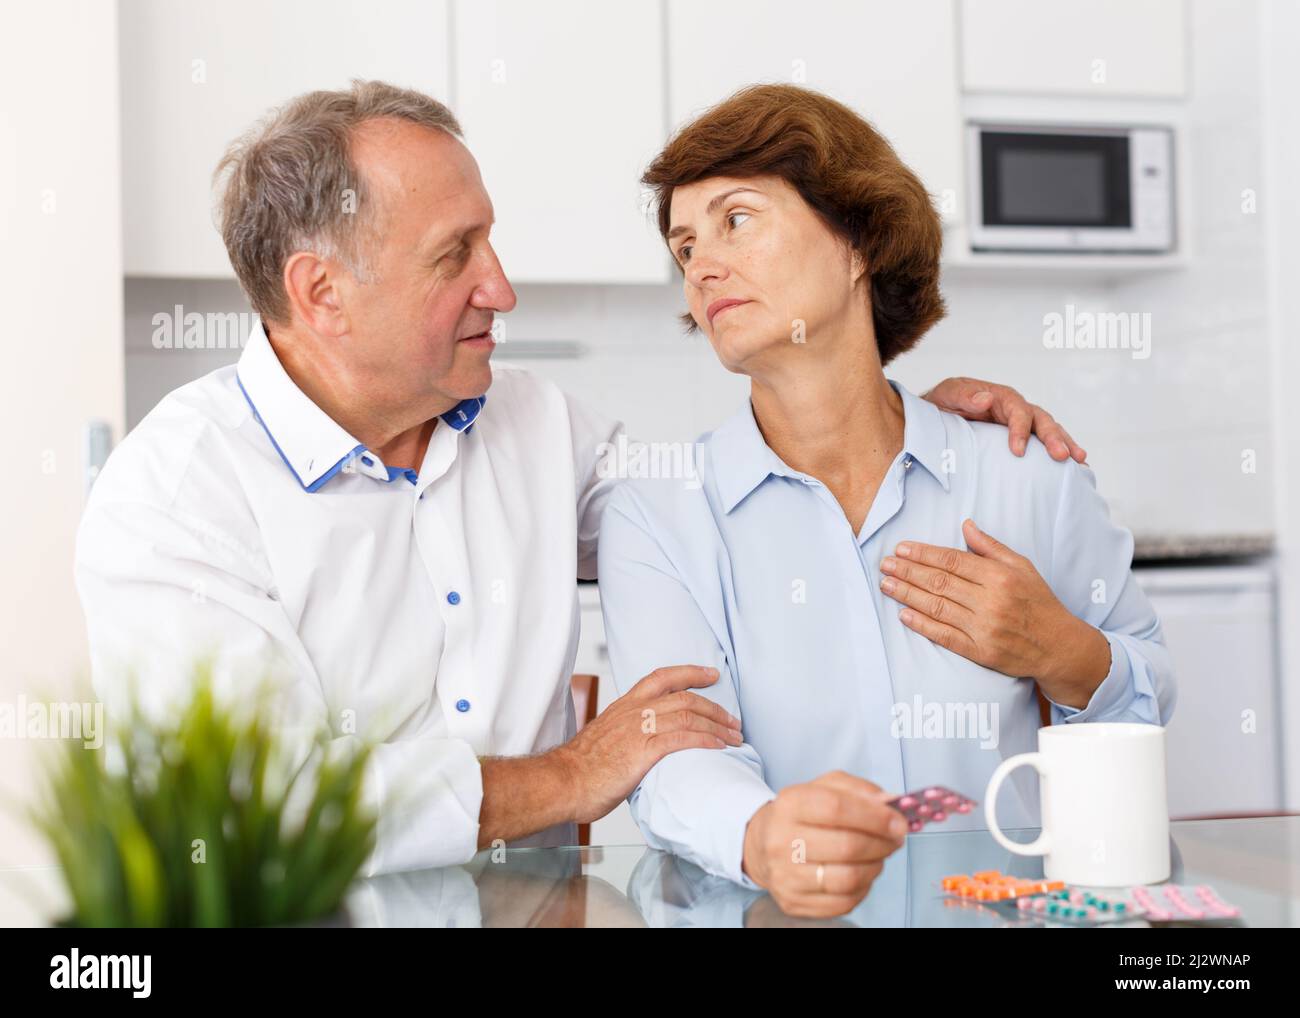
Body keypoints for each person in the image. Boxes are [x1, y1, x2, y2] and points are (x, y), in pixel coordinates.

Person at [77, 80, 1087, 878]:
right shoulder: (173, 499)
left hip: (545, 913)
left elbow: (715, 503)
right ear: (323, 294)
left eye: (490, 237)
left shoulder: (536, 423)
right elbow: (269, 814)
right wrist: (571, 773)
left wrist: (904, 410)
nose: (502, 287)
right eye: (454, 256)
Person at [596, 84, 1174, 918]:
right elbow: (678, 754)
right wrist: (764, 835)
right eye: (685, 246)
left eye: (738, 220)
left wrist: (1065, 652)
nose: (703, 265)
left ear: (859, 240)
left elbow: (1148, 678)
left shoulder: (1023, 472)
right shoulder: (658, 517)